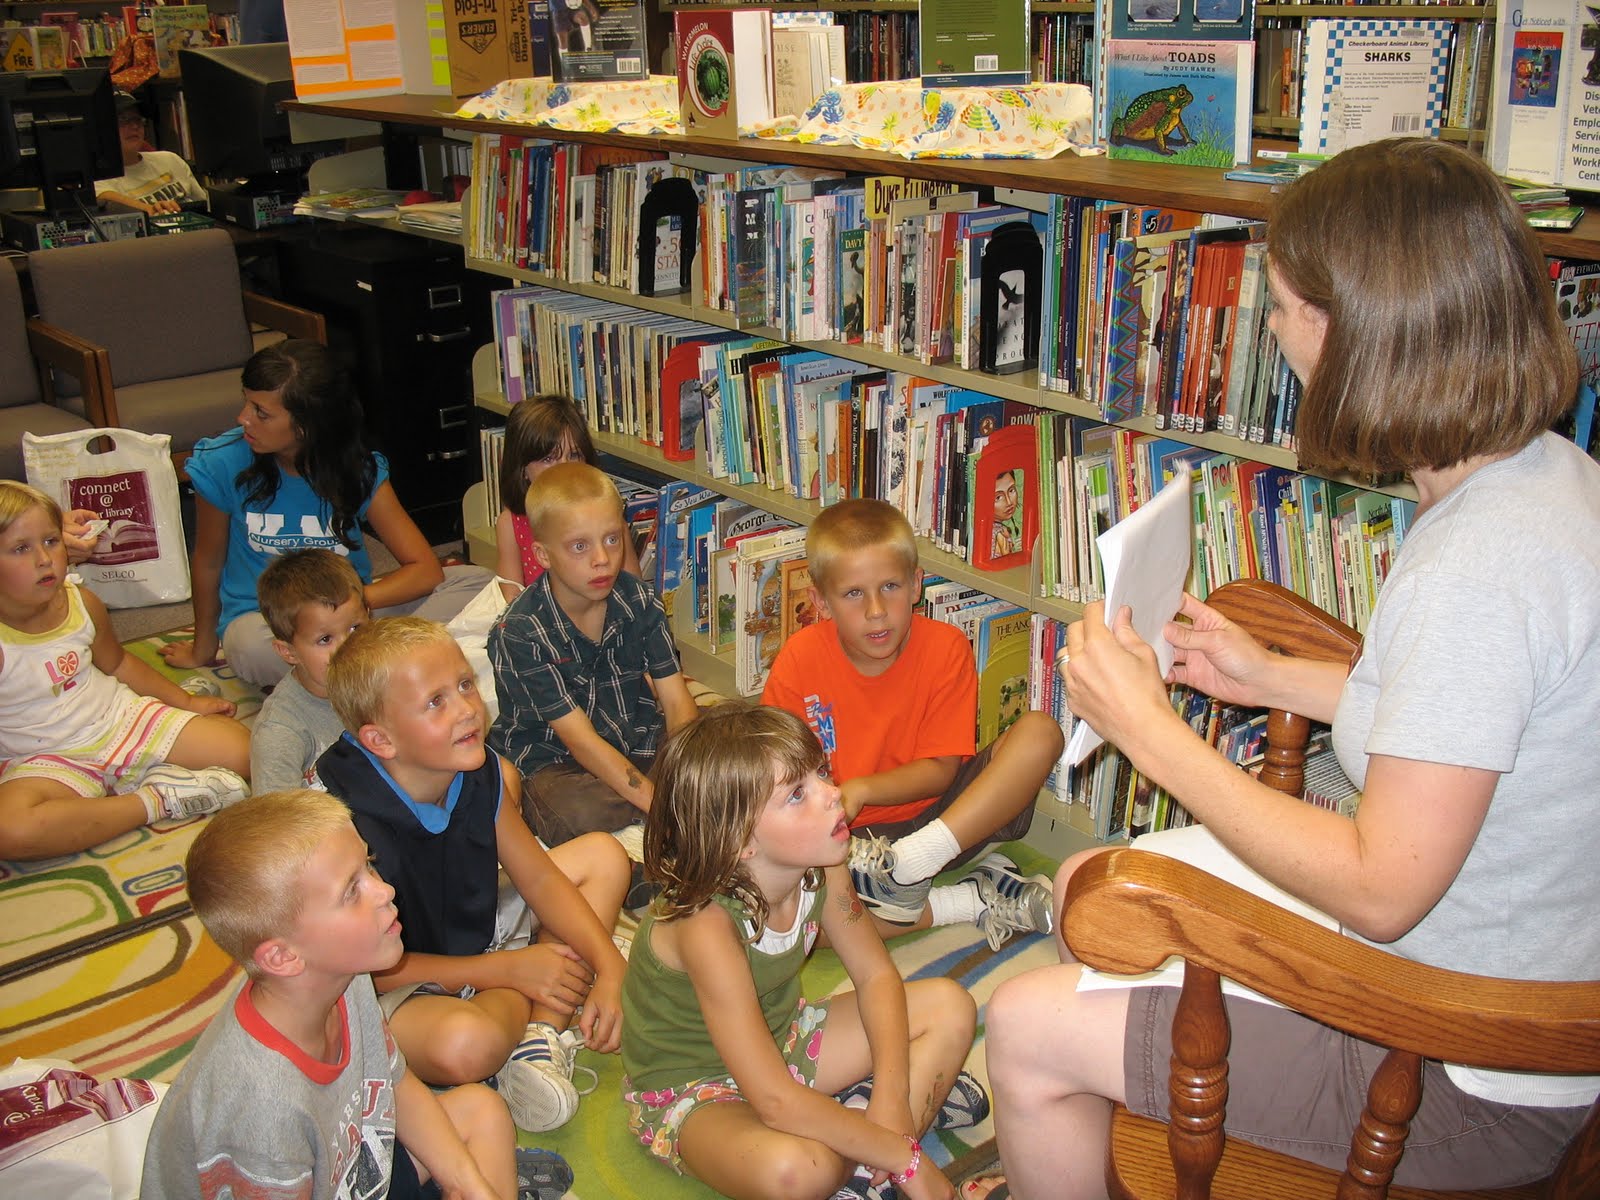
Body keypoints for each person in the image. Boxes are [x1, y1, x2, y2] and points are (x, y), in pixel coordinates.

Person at [980, 138, 1600, 1200]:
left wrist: (1153, 736)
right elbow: (1460, 728)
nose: (1268, 333)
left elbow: (1379, 891)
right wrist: (1271, 676)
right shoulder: (1540, 472)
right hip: (1502, 960)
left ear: (1358, 332)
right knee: (1087, 885)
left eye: (1278, 308)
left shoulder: (1479, 571)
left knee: (1024, 1024)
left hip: (1464, 1059)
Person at [621, 703, 984, 1200]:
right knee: (797, 1171)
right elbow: (773, 1100)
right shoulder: (705, 924)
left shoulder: (822, 863)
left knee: (951, 1005)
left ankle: (861, 1134)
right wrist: (903, 1153)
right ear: (739, 841)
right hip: (696, 1088)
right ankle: (864, 1145)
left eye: (820, 774)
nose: (833, 794)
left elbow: (876, 976)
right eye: (797, 794)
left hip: (784, 1040)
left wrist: (892, 1097)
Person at [140, 788, 572, 1200]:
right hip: (330, 1179)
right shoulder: (262, 1108)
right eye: (351, 891)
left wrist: (465, 1180)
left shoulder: (342, 979)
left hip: (361, 1168)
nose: (384, 890)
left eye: (369, 865)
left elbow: (395, 1082)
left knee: (484, 1110)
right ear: (283, 957)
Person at [316, 617, 631, 1134]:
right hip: (387, 980)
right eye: (435, 702)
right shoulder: (336, 819)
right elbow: (360, 970)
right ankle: (532, 1010)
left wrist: (610, 966)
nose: (467, 708)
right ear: (381, 739)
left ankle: (536, 1038)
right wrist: (506, 971)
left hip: (476, 936)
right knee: (467, 1049)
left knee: (605, 857)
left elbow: (541, 878)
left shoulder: (474, 765)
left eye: (465, 685)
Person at [762, 498, 1064, 947]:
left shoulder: (945, 646)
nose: (876, 610)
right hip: (843, 842)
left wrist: (862, 791)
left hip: (946, 825)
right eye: (853, 594)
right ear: (820, 601)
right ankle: (967, 901)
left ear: (917, 583)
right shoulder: (799, 660)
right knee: (779, 927)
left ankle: (907, 870)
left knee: (1042, 732)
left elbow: (941, 772)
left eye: (890, 586)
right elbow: (775, 776)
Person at [161, 339, 490, 687]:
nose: (243, 418)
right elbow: (208, 562)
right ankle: (389, 674)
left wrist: (349, 607)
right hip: (271, 624)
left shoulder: (357, 469)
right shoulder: (220, 462)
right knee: (248, 647)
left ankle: (363, 678)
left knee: (477, 581)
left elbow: (426, 571)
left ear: (306, 425)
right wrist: (203, 647)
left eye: (261, 412)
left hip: (353, 615)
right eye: (247, 402)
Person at [0, 481, 249, 861]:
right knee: (12, 832)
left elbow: (117, 663)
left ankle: (144, 771)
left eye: (51, 541)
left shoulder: (81, 601)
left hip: (117, 720)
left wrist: (184, 701)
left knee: (248, 752)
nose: (43, 559)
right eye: (21, 548)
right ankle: (157, 799)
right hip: (44, 759)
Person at [488, 463, 699, 848]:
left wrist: (693, 769)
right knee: (572, 811)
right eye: (580, 546)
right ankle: (651, 823)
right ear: (544, 555)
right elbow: (581, 742)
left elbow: (674, 698)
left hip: (637, 740)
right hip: (558, 761)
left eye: (613, 539)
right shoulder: (519, 633)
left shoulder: (639, 599)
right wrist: (662, 807)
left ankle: (667, 796)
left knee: (729, 740)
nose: (602, 559)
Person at [493, 394, 642, 604]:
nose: (565, 468)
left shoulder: (607, 517)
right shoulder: (511, 524)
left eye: (574, 455)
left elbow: (635, 590)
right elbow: (511, 597)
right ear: (523, 469)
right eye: (548, 459)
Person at [249, 549, 368, 792]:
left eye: (355, 628)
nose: (348, 648)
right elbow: (277, 819)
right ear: (289, 652)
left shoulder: (388, 674)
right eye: (325, 639)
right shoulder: (280, 731)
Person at [95, 90, 206, 217]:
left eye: (138, 119)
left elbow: (205, 205)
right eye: (123, 119)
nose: (135, 126)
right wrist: (153, 209)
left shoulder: (170, 159)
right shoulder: (99, 179)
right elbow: (107, 198)